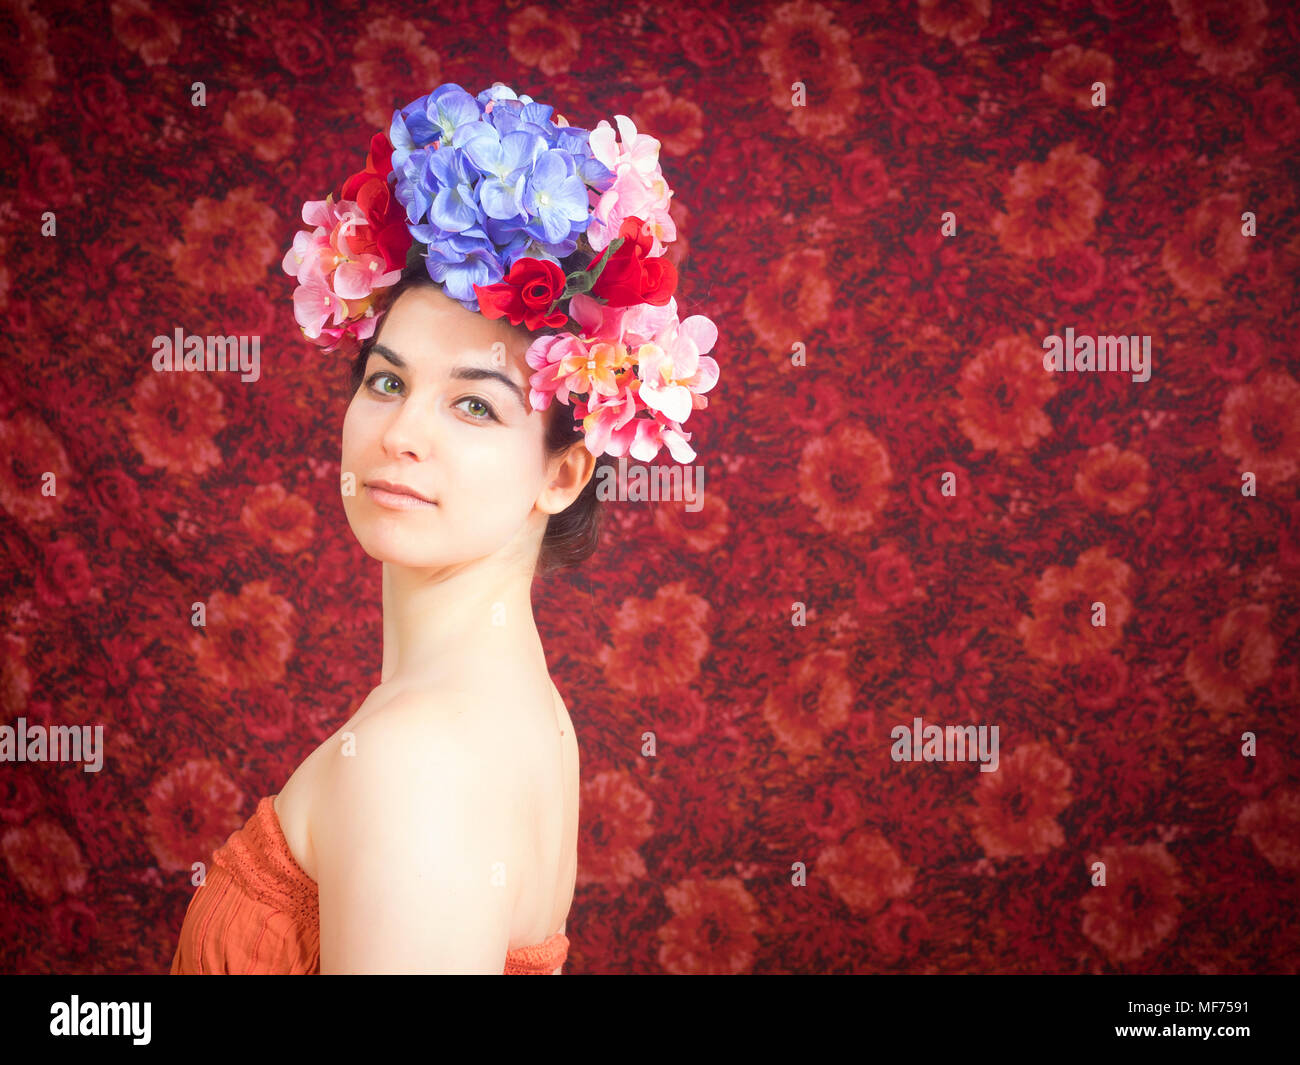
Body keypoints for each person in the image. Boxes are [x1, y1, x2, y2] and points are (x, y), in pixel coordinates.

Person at [170, 80, 719, 975]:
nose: (400, 433)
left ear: (562, 472)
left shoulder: (416, 762)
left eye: (473, 404)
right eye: (387, 382)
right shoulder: (525, 710)